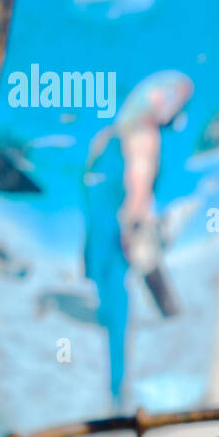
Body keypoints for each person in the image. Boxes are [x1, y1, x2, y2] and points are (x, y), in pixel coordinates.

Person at [82, 70, 193, 405]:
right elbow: (134, 191)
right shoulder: (136, 135)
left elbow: (96, 187)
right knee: (118, 303)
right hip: (117, 231)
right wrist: (134, 226)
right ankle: (117, 391)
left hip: (112, 233)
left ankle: (117, 390)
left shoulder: (113, 136)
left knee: (117, 301)